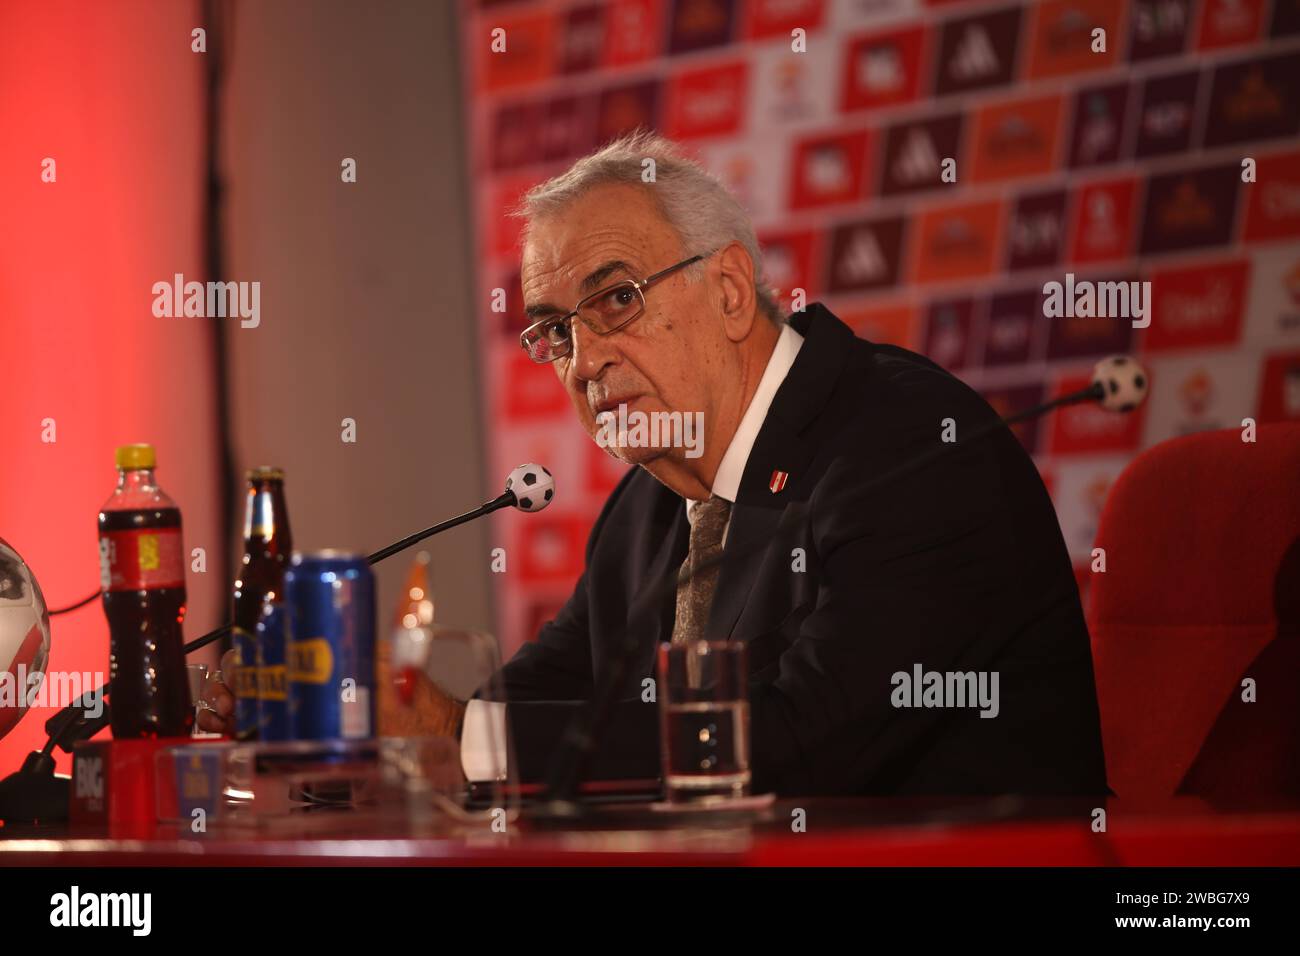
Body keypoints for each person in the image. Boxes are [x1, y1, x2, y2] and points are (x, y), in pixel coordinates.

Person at [202, 130, 1108, 796]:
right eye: (553, 332)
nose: (583, 361)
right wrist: (355, 729)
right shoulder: (645, 511)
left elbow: (800, 749)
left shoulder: (911, 448)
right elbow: (528, 713)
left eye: (617, 301)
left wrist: (453, 736)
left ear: (726, 290)